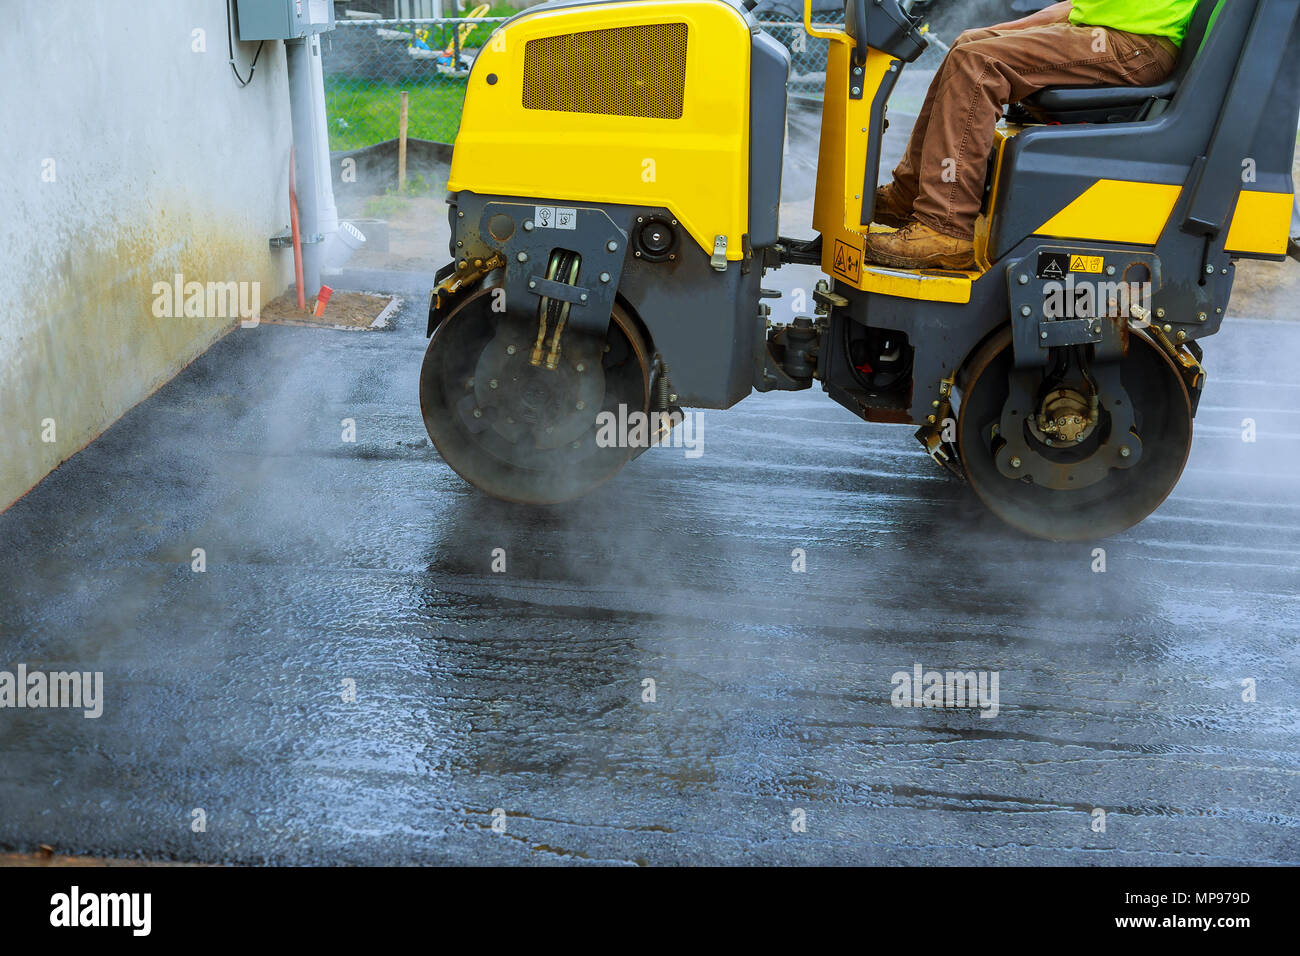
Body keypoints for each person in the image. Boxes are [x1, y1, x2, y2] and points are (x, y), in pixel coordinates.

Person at [863, 0, 1201, 271]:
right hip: (1106, 36)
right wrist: (1000, 33)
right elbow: (1080, 8)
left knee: (978, 63)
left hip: (1137, 48)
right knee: (969, 44)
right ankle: (909, 193)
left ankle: (945, 227)